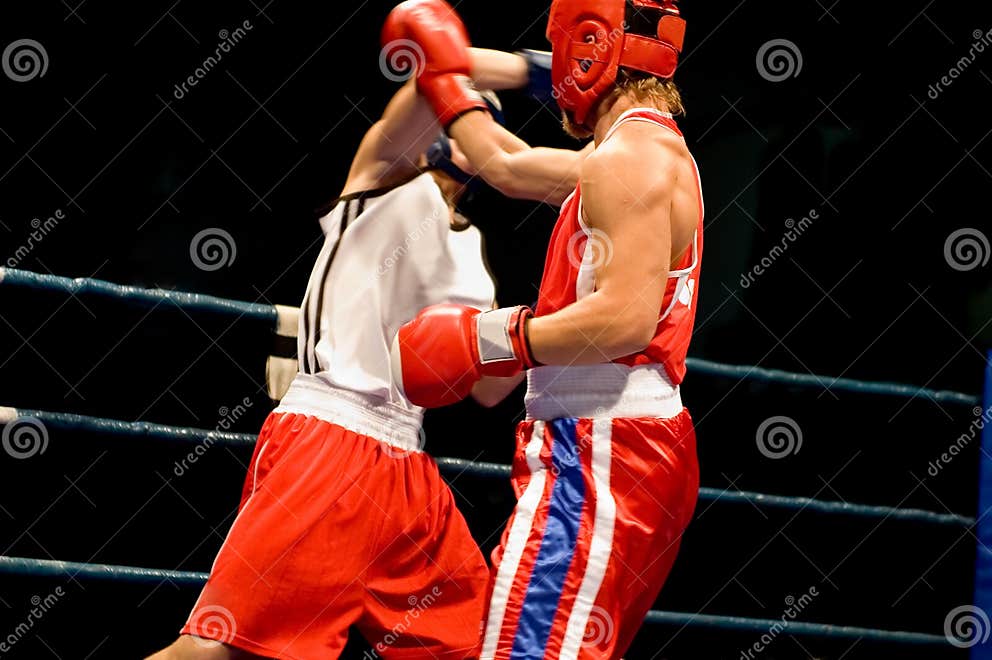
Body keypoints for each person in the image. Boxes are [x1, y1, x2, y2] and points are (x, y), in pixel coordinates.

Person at [147, 37, 589, 660]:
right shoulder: (380, 181)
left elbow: (488, 391)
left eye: (478, 114)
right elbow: (424, 80)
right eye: (459, 109)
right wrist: (531, 71)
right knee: (228, 652)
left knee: (472, 650)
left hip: (409, 467)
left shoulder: (473, 256)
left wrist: (539, 324)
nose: (464, 118)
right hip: (332, 435)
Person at [387, 0, 702, 657]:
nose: (554, 71)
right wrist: (442, 74)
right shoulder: (633, 150)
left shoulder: (631, 160)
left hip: (604, 453)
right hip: (607, 447)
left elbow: (625, 318)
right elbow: (503, 164)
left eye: (564, 53)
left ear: (591, 51)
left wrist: (487, 337)